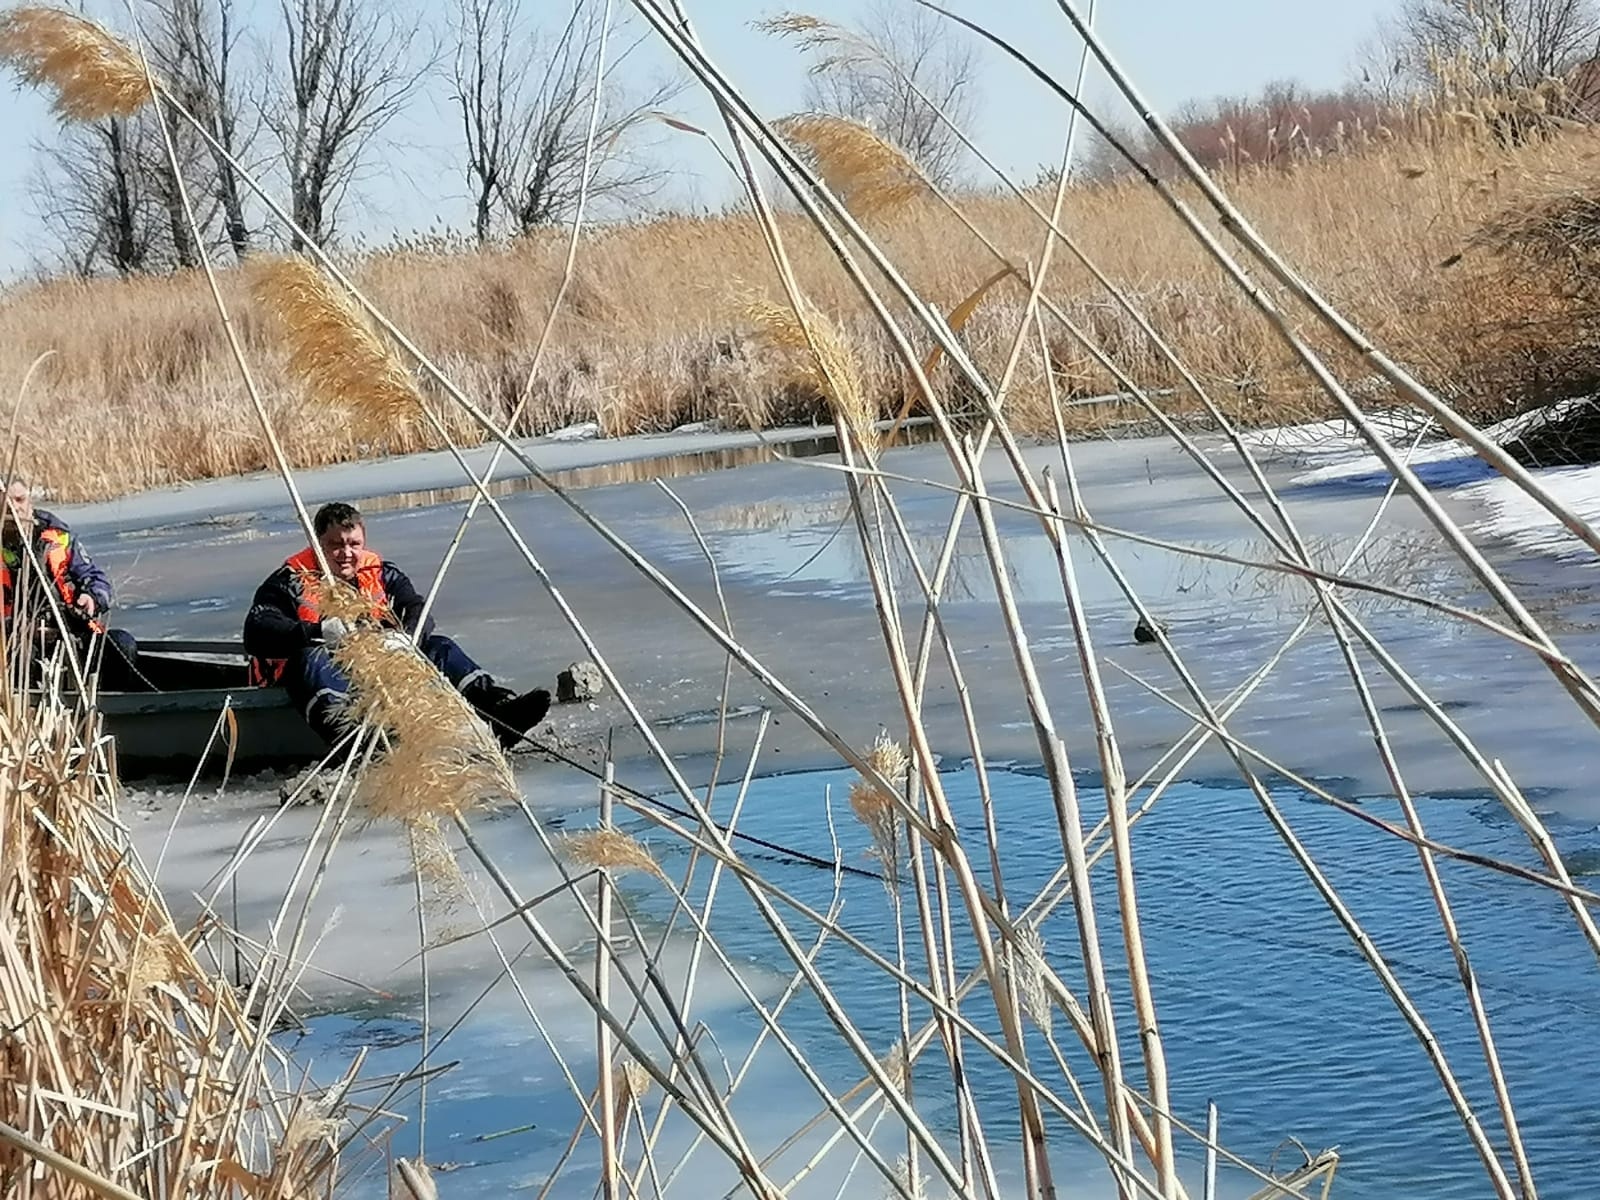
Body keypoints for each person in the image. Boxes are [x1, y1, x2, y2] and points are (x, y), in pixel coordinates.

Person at [244, 501, 550, 750]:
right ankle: (354, 741)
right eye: (336, 545)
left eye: (354, 544)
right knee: (311, 659)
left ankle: (496, 711)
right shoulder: (288, 582)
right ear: (317, 544)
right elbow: (256, 631)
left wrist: (407, 637)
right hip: (311, 675)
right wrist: (317, 632)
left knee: (439, 645)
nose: (346, 553)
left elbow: (418, 610)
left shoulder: (382, 574)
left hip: (374, 667)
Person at [1, 479, 140, 688]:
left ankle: (117, 707)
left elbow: (95, 578)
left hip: (70, 628)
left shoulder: (59, 537)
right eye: (7, 504)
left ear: (29, 500)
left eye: (20, 500)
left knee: (122, 643)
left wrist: (92, 598)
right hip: (16, 638)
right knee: (21, 654)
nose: (16, 508)